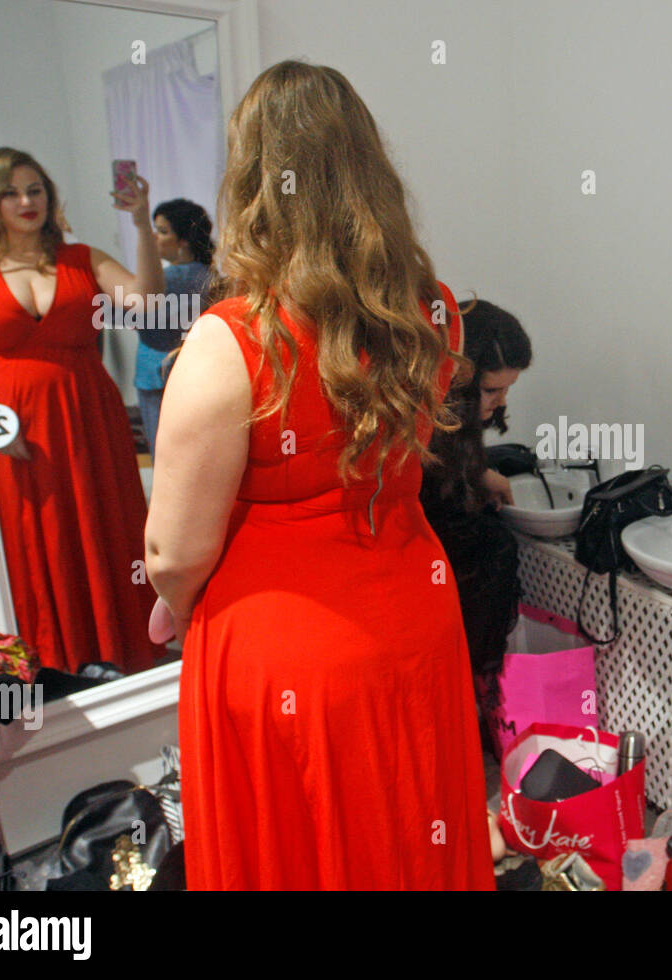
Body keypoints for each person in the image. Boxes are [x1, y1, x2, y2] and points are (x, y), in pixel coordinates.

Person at [145, 60, 495, 890]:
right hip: (412, 617)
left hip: (286, 655)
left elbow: (172, 556)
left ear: (253, 180)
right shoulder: (431, 311)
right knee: (410, 831)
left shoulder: (230, 343)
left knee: (302, 853)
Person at [0, 147, 165, 674]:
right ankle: (50, 661)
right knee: (31, 536)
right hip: (12, 424)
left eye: (36, 189)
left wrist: (141, 224)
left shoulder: (82, 259)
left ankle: (121, 652)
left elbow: (146, 302)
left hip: (86, 416)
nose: (27, 201)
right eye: (11, 192)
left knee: (103, 524)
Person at [419, 299, 531, 690]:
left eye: (507, 390)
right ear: (459, 378)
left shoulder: (458, 421)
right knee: (495, 546)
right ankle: (470, 681)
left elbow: (455, 457)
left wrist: (481, 474)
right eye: (491, 390)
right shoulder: (422, 417)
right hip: (421, 543)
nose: (500, 402)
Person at [135, 198, 213, 454]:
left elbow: (128, 313)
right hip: (198, 372)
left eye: (163, 231)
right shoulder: (208, 273)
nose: (156, 237)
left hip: (158, 373)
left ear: (184, 240)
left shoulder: (172, 279)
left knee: (165, 452)